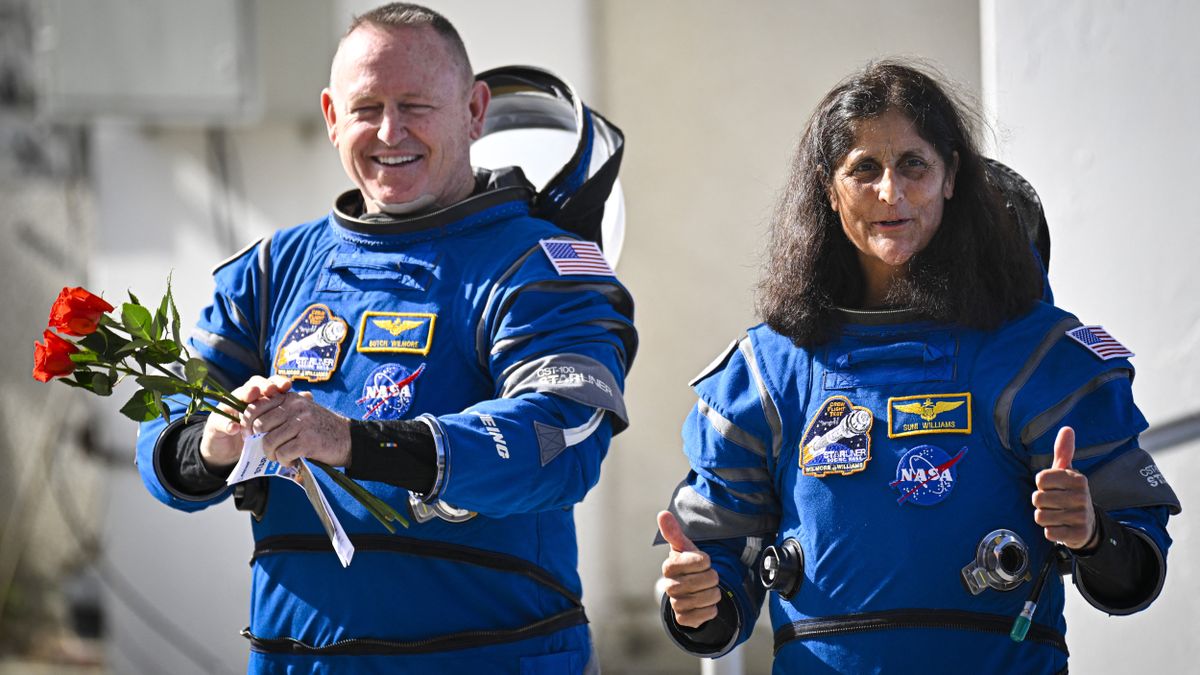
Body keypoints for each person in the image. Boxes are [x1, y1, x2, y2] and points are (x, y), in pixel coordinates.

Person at [135, 3, 635, 673]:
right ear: (331, 116)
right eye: (366, 106)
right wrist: (216, 442)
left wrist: (353, 441)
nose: (389, 130)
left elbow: (560, 437)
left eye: (415, 104)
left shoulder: (544, 266)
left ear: (475, 109)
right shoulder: (273, 269)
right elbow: (162, 434)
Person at [655, 61, 1178, 673]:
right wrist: (698, 598)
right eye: (864, 170)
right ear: (829, 187)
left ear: (951, 176)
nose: (890, 193)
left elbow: (1136, 566)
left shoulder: (1041, 356)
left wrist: (1091, 534)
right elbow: (719, 565)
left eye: (913, 165)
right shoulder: (768, 371)